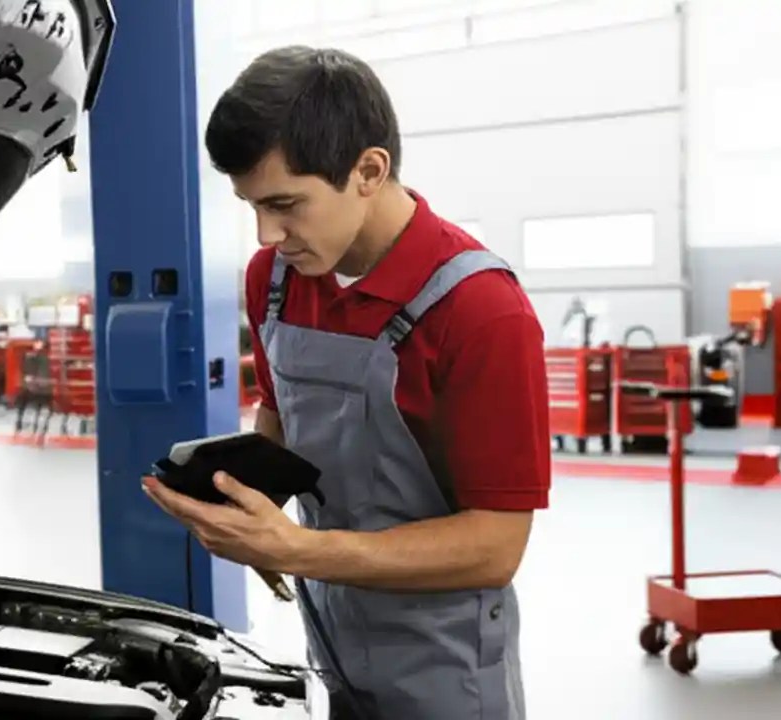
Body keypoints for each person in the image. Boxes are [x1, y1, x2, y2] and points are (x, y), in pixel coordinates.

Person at [141, 46, 550, 720]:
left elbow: (495, 547)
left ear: (368, 171)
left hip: (446, 671)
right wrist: (248, 506)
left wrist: (298, 548)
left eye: (285, 204)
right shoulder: (274, 280)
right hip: (331, 646)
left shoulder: (482, 311)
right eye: (251, 205)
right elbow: (279, 413)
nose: (266, 234)